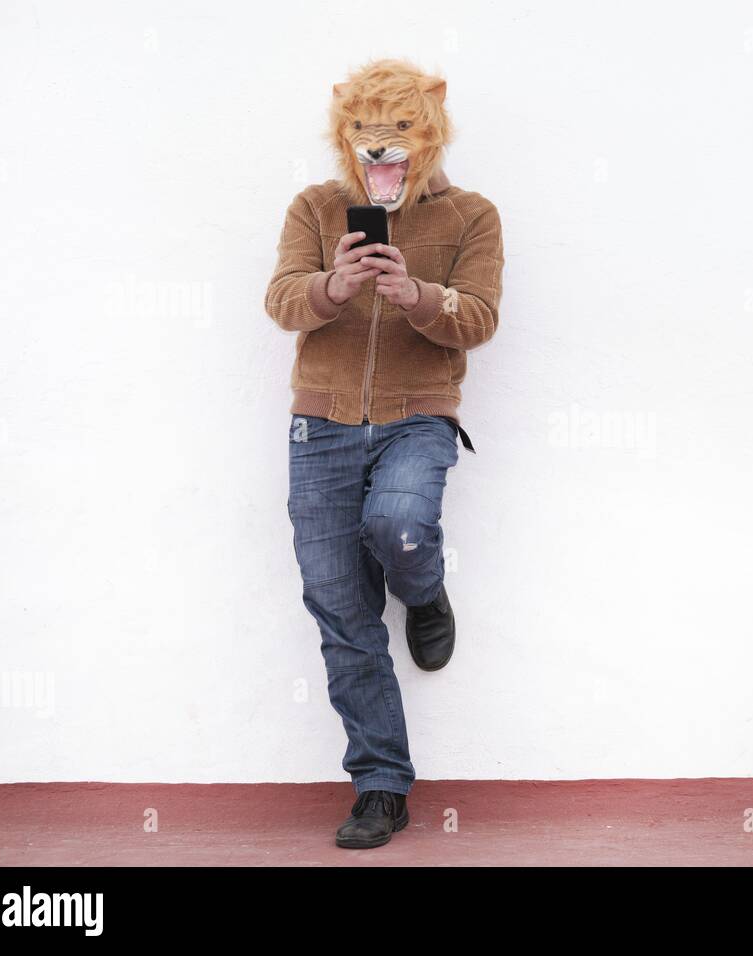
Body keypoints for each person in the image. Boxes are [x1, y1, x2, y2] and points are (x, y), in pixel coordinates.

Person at [263, 59, 504, 849]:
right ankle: (379, 785)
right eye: (365, 130)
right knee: (342, 616)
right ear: (345, 134)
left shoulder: (471, 216)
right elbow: (282, 299)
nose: (379, 145)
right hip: (320, 429)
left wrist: (418, 297)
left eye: (397, 129)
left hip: (416, 420)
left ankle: (424, 590)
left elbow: (479, 319)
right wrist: (335, 287)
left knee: (399, 526)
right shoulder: (316, 207)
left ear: (428, 129)